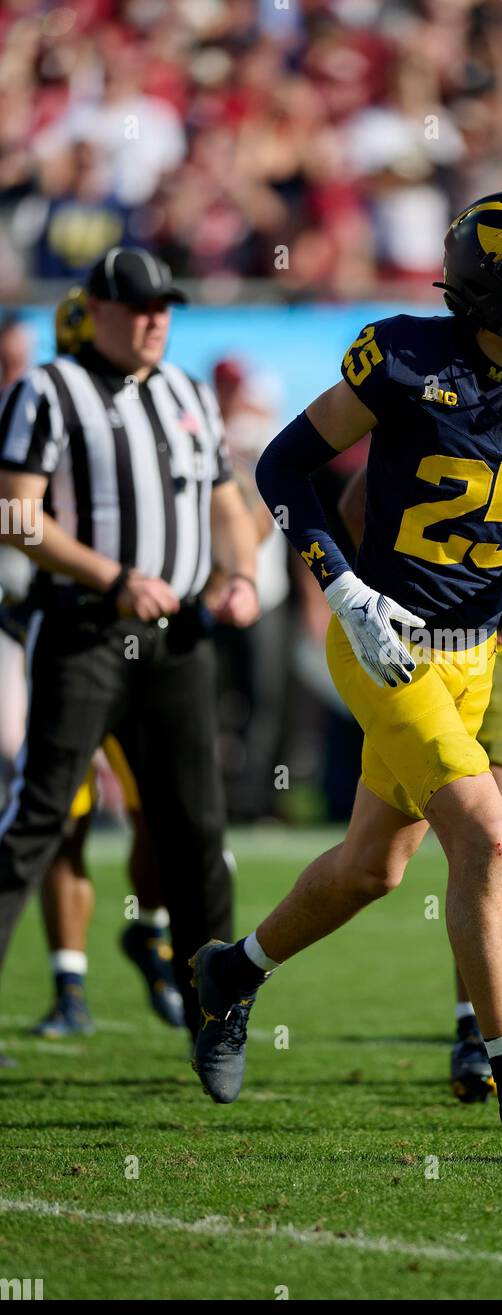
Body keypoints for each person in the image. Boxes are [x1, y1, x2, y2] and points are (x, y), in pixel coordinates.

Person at [189, 190, 502, 1159]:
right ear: (489, 292)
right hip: (383, 634)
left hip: (476, 649)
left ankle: (231, 973)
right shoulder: (403, 356)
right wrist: (341, 585)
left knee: (372, 869)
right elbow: (283, 467)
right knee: (486, 829)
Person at [0, 246, 261, 1042]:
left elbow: (225, 500)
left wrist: (241, 573)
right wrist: (113, 578)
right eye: (140, 305)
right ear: (99, 309)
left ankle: (214, 1021)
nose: (156, 320)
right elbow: (15, 514)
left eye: (166, 306)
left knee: (196, 827)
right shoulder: (47, 390)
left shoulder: (185, 391)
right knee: (40, 814)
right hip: (83, 628)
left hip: (179, 635)